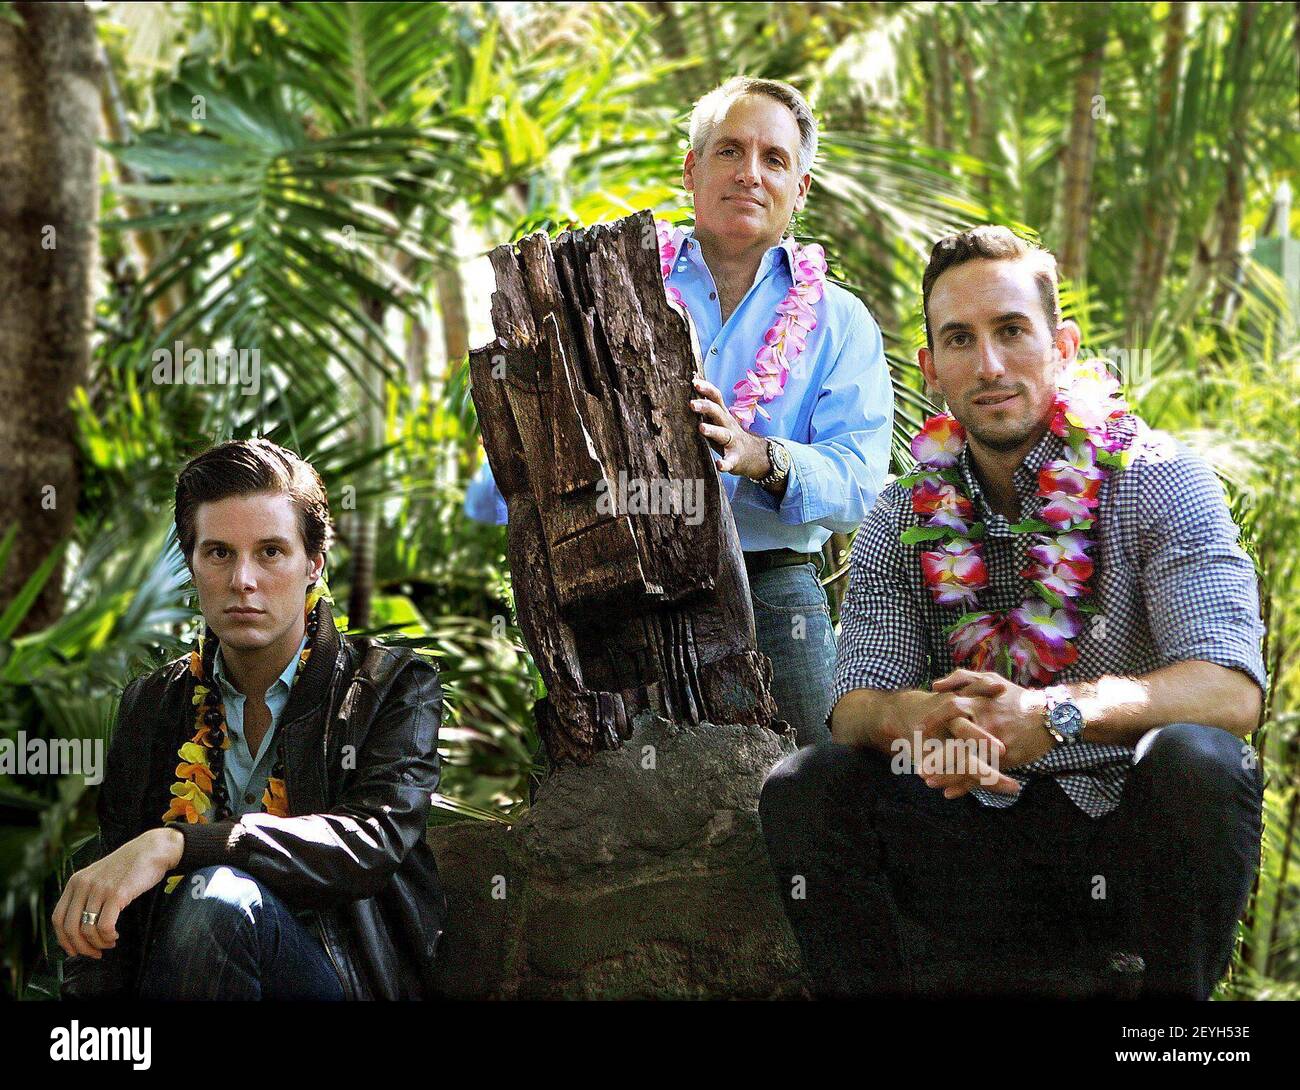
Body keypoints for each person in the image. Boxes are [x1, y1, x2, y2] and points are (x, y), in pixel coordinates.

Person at [759, 226, 1267, 998]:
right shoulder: (902, 513)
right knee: (807, 783)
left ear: (1060, 345)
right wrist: (924, 718)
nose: (989, 365)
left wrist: (1056, 714)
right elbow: (854, 705)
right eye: (960, 339)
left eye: (1011, 331)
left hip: (1121, 838)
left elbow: (1231, 691)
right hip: (968, 842)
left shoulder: (1160, 481)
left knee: (1202, 761)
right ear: (931, 368)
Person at [466, 76, 894, 747]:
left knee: (821, 791)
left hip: (774, 592)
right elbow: (503, 476)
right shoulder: (600, 286)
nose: (749, 174)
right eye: (729, 151)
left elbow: (861, 484)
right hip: (613, 583)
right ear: (692, 171)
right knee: (619, 810)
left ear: (799, 190)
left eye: (774, 159)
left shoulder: (841, 321)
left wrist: (763, 457)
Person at [56, 439, 446, 1000]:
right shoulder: (152, 704)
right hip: (180, 979)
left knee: (217, 896)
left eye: (270, 552)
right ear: (192, 564)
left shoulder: (390, 686)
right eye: (218, 552)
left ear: (314, 563)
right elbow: (112, 916)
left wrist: (179, 845)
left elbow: (371, 841)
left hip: (336, 982)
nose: (243, 579)